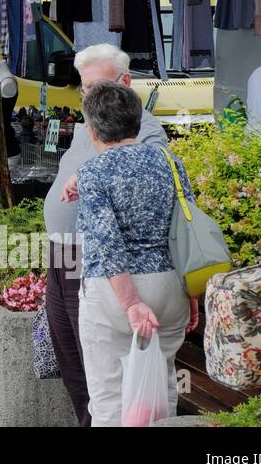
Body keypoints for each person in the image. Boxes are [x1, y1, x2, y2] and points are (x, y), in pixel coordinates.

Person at [44, 43, 167, 426]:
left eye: (95, 88)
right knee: (69, 358)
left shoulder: (144, 129)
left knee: (100, 369)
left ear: (125, 83)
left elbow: (147, 178)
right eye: (83, 90)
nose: (87, 98)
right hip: (62, 253)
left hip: (98, 258)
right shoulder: (88, 124)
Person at [72, 80, 195, 427]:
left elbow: (106, 243)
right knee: (161, 391)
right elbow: (185, 229)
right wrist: (190, 292)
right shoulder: (169, 162)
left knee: (110, 400)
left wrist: (131, 304)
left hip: (117, 294)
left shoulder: (94, 172)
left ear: (94, 130)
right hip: (171, 287)